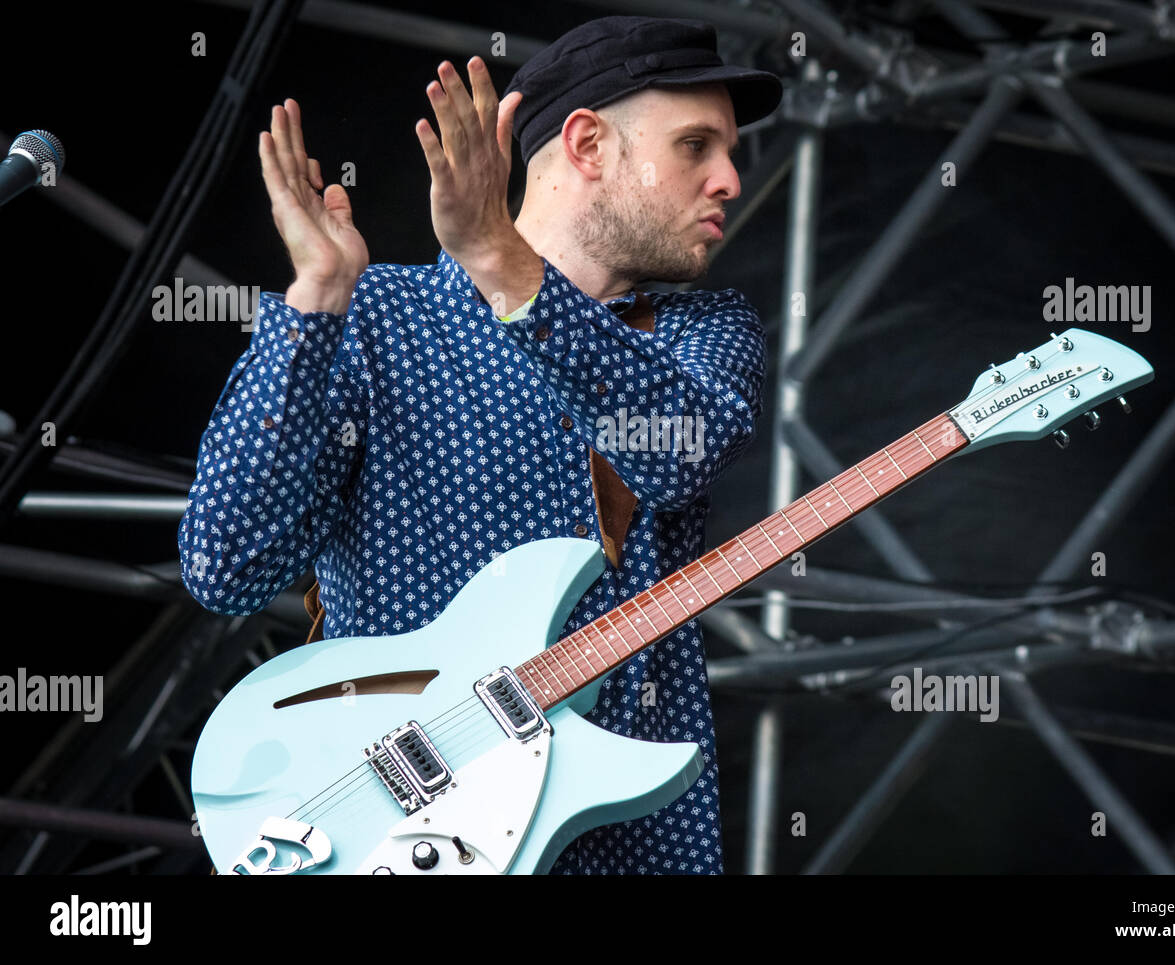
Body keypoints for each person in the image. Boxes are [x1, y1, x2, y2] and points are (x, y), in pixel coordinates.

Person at [178, 15, 783, 874]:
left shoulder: (702, 331)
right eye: (696, 145)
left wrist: (507, 264)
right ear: (587, 145)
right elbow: (225, 565)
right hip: (396, 844)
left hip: (629, 853)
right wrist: (312, 304)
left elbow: (676, 457)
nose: (729, 177)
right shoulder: (380, 315)